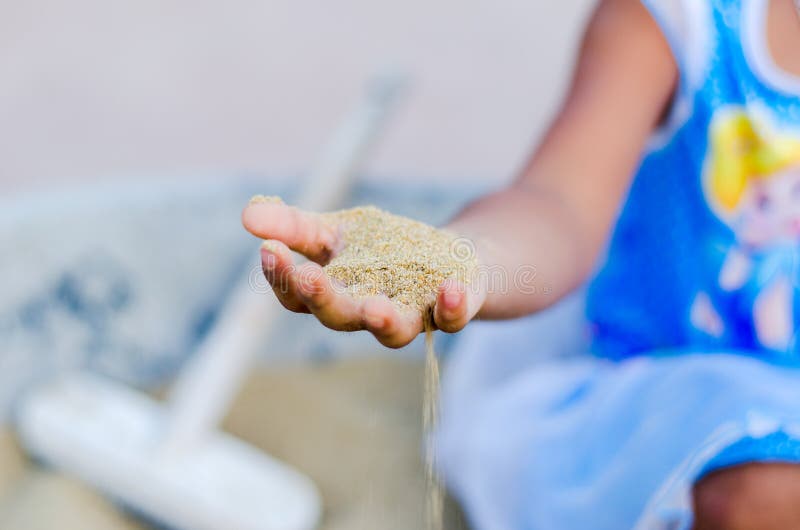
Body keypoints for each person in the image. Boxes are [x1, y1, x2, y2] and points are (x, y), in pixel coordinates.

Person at [242, 0, 800, 528]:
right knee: (764, 491)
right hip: (647, 417)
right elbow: (559, 208)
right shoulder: (683, 23)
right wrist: (462, 262)